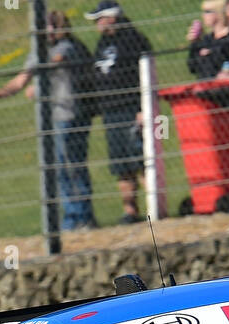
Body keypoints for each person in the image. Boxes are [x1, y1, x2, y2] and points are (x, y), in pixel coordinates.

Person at [0, 11, 97, 230]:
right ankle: (72, 218)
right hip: (52, 119)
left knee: (73, 166)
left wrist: (38, 86)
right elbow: (20, 81)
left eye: (52, 28)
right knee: (59, 168)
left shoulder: (69, 46)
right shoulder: (38, 52)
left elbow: (57, 61)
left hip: (71, 115)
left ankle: (82, 217)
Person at [86, 1, 153, 224]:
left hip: (131, 109)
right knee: (121, 165)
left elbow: (144, 75)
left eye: (99, 19)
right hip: (111, 112)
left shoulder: (133, 40)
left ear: (110, 18)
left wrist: (142, 108)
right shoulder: (102, 43)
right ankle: (130, 211)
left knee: (140, 161)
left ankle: (154, 207)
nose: (96, 24)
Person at [187, 0, 229, 80]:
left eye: (207, 12)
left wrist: (210, 53)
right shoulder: (206, 39)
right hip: (204, 87)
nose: (203, 15)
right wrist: (194, 43)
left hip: (227, 86)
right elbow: (192, 68)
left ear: (219, 12)